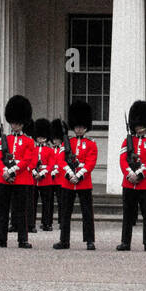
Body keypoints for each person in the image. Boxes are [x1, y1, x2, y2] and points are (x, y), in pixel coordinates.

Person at [0, 95, 36, 249]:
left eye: (18, 123)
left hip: (21, 179)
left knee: (20, 211)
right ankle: (1, 238)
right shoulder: (5, 139)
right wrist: (4, 170)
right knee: (2, 210)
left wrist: (13, 170)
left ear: (22, 123)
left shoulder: (29, 141)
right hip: (4, 179)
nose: (15, 126)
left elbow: (28, 159)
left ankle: (22, 239)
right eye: (14, 123)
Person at [54, 101, 99, 251]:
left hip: (83, 182)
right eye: (77, 126)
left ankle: (90, 240)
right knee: (65, 213)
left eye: (81, 127)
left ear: (86, 127)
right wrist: (69, 174)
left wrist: (78, 175)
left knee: (87, 213)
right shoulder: (68, 142)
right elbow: (60, 160)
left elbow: (90, 163)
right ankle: (64, 240)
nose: (79, 129)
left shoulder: (91, 144)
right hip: (68, 182)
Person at [117, 100, 146, 252]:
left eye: (142, 125)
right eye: (137, 125)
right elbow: (122, 160)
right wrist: (129, 173)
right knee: (128, 214)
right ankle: (125, 242)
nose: (139, 128)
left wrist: (139, 174)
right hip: (129, 183)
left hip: (145, 184)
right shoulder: (127, 141)